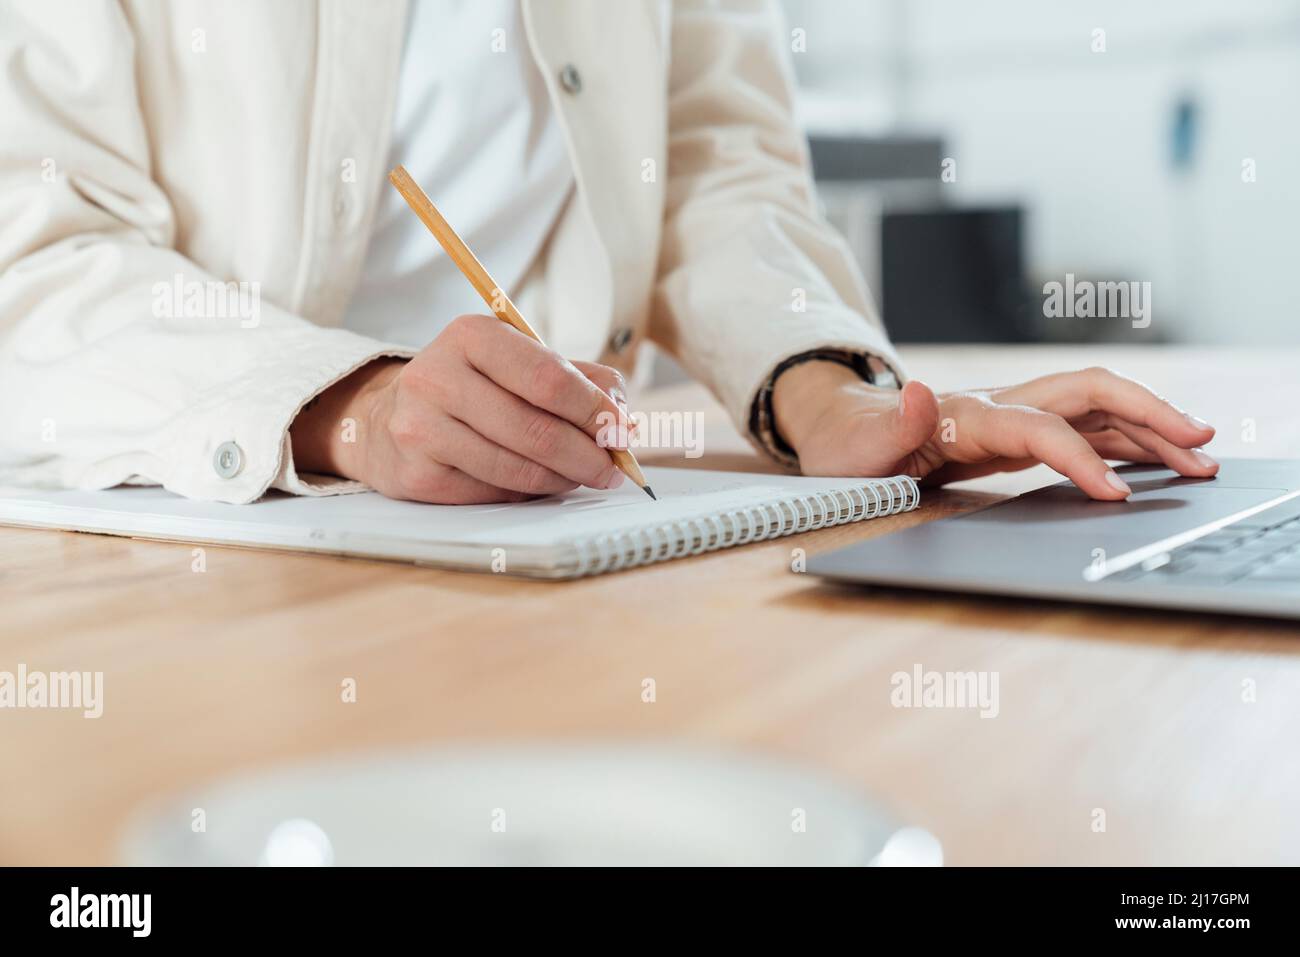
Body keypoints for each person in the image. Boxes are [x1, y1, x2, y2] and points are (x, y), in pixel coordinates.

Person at [0, 0, 1217, 507]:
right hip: (206, 521)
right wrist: (347, 407)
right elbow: (34, 249)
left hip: (567, 508)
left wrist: (825, 396)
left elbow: (708, 155)